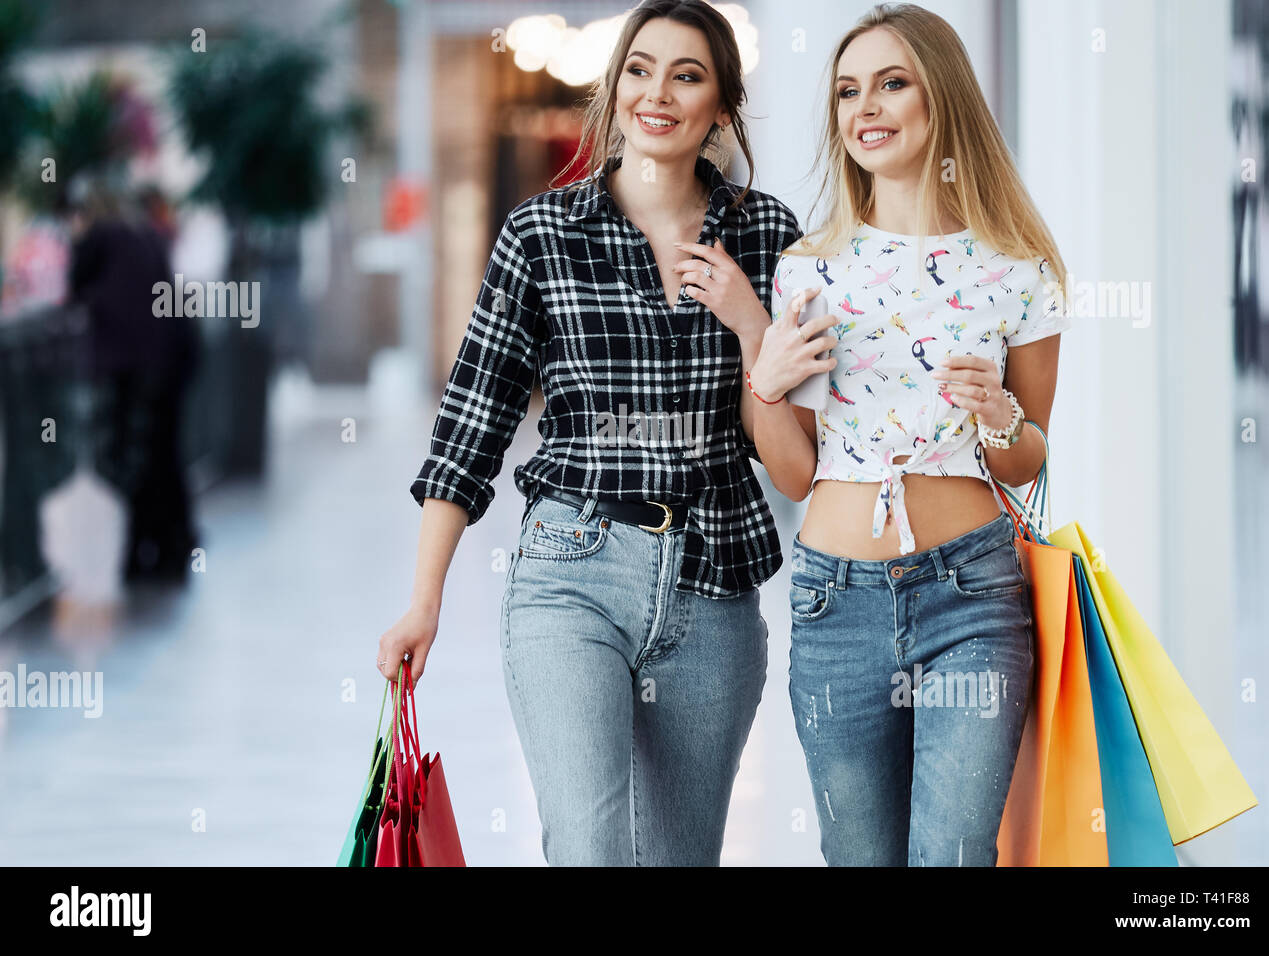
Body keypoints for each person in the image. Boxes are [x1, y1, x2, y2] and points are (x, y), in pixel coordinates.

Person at [376, 0, 803, 866]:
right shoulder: (543, 234)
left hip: (714, 583)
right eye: (641, 70)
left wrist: (752, 324)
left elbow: (795, 462)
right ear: (614, 89)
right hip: (573, 568)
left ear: (721, 105)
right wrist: (425, 600)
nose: (659, 93)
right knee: (589, 845)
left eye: (688, 75)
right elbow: (472, 422)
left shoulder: (769, 236)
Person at [745, 2, 1071, 866]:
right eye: (849, 91)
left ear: (944, 97)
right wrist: (766, 386)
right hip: (832, 600)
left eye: (893, 83)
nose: (867, 108)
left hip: (972, 597)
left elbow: (1030, 454)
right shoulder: (809, 270)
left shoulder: (1018, 268)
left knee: (957, 854)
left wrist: (1001, 414)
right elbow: (794, 473)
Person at [67, 182, 201, 585]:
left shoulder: (101, 238)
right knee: (163, 457)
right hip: (171, 361)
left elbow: (74, 287)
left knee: (132, 461)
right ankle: (168, 549)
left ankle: (140, 553)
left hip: (135, 368)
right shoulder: (146, 235)